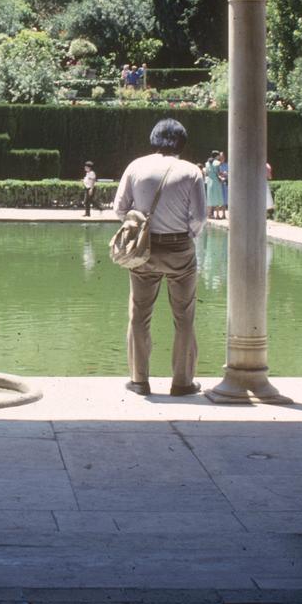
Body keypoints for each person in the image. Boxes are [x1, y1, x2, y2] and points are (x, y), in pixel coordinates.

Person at [111, 118, 207, 397]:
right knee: (184, 317)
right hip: (179, 248)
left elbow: (119, 209)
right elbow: (200, 217)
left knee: (139, 315)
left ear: (153, 138)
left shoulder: (136, 166)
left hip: (144, 249)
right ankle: (182, 382)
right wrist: (187, 234)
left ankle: (139, 380)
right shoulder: (191, 171)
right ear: (182, 142)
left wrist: (140, 225)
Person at [203, 151, 226, 219]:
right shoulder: (217, 163)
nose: (219, 157)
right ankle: (217, 215)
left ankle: (209, 214)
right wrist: (223, 174)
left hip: (210, 182)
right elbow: (219, 173)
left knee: (210, 198)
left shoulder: (207, 163)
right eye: (218, 155)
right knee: (217, 198)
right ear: (216, 156)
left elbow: (206, 173)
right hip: (216, 182)